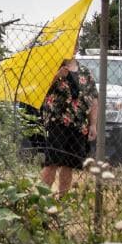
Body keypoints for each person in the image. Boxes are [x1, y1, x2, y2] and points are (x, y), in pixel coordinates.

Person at [39, 56, 99, 195]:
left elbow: (94, 99)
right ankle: (41, 199)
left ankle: (62, 200)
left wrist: (93, 125)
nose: (73, 47)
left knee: (69, 164)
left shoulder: (85, 72)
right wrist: (57, 75)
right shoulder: (53, 67)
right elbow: (40, 90)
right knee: (52, 163)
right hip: (56, 122)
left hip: (78, 124)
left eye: (75, 44)